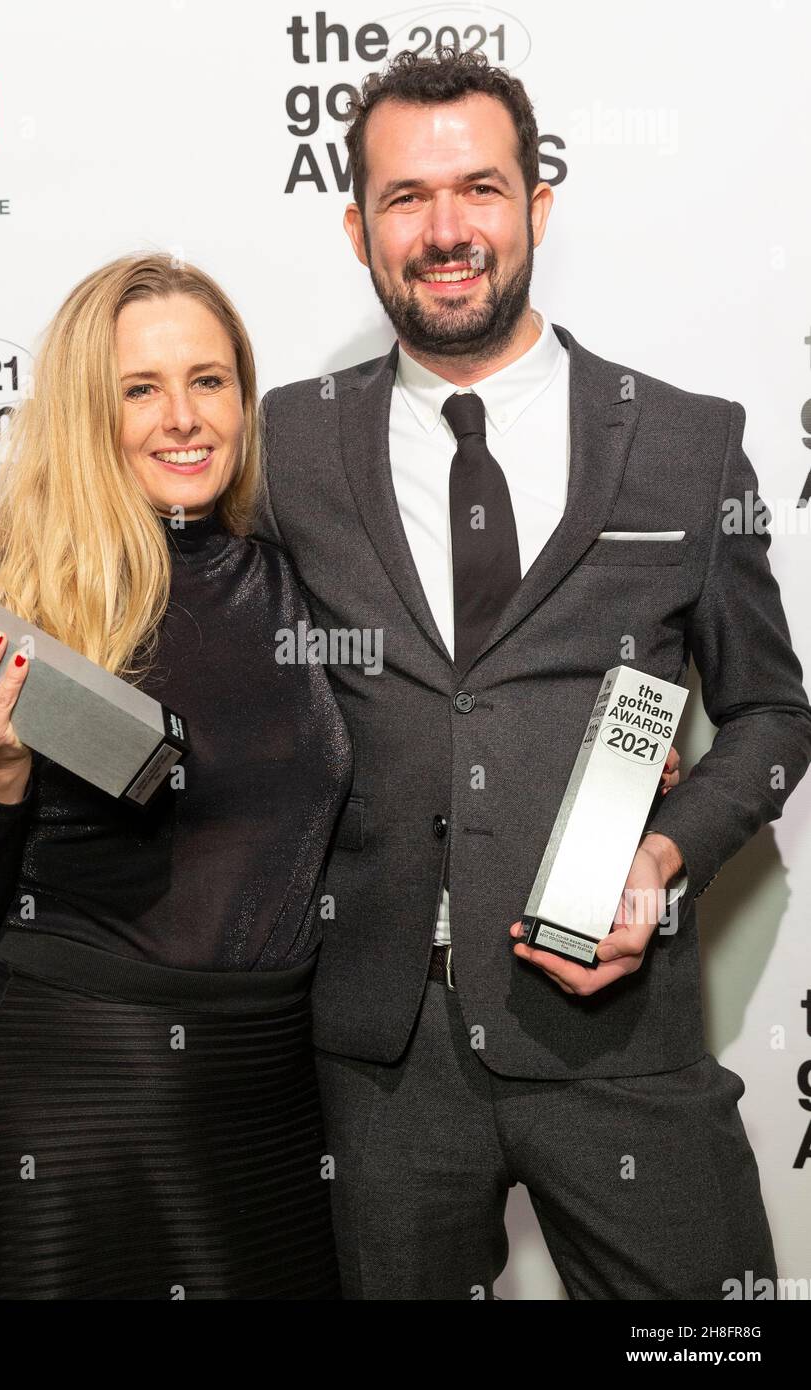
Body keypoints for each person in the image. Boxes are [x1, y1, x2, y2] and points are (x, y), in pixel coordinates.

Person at [254, 46, 811, 1298]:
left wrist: (662, 857)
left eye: (479, 189)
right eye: (405, 198)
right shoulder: (285, 442)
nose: (445, 230)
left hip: (616, 1027)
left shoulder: (682, 440)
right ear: (355, 227)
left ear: (536, 207)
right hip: (377, 1056)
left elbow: (772, 709)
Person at [0, 254, 352, 1300]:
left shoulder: (296, 581)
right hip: (73, 1101)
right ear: (84, 415)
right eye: (138, 389)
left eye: (209, 379)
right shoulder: (19, 604)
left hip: (271, 1097)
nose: (181, 418)